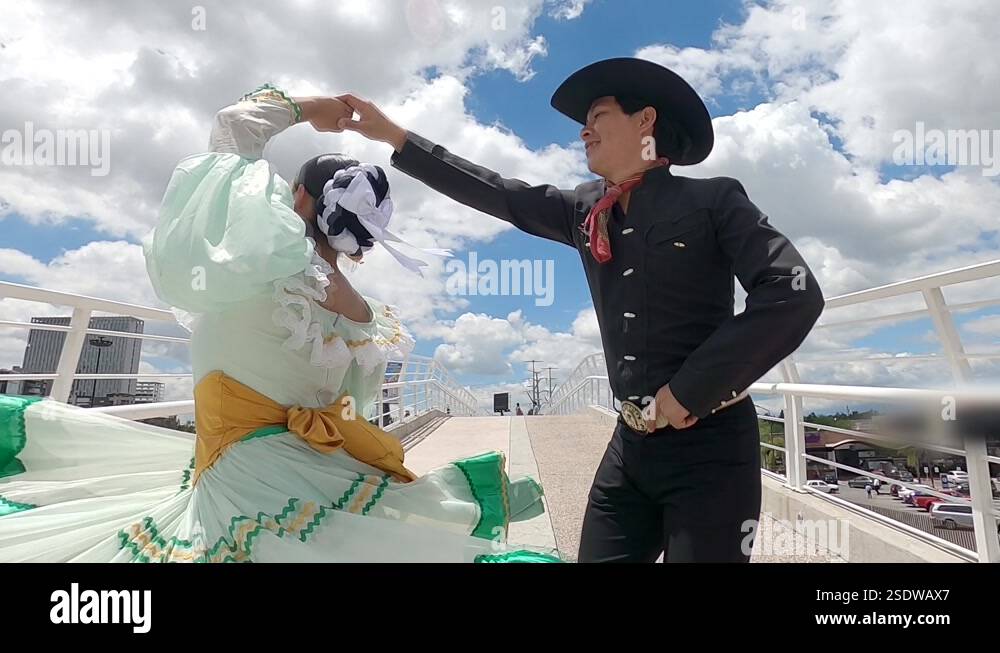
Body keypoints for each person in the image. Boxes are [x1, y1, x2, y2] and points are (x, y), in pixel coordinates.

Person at [0, 85, 555, 563]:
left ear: (299, 198)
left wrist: (311, 109)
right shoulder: (364, 317)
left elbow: (233, 127)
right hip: (316, 466)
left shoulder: (253, 266)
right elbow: (352, 410)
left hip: (237, 474)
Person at [336, 57, 825, 562]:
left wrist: (690, 390)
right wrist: (395, 136)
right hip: (629, 449)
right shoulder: (586, 211)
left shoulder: (713, 200)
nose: (584, 131)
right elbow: (501, 194)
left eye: (598, 115)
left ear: (645, 121)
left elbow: (793, 292)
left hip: (711, 450)